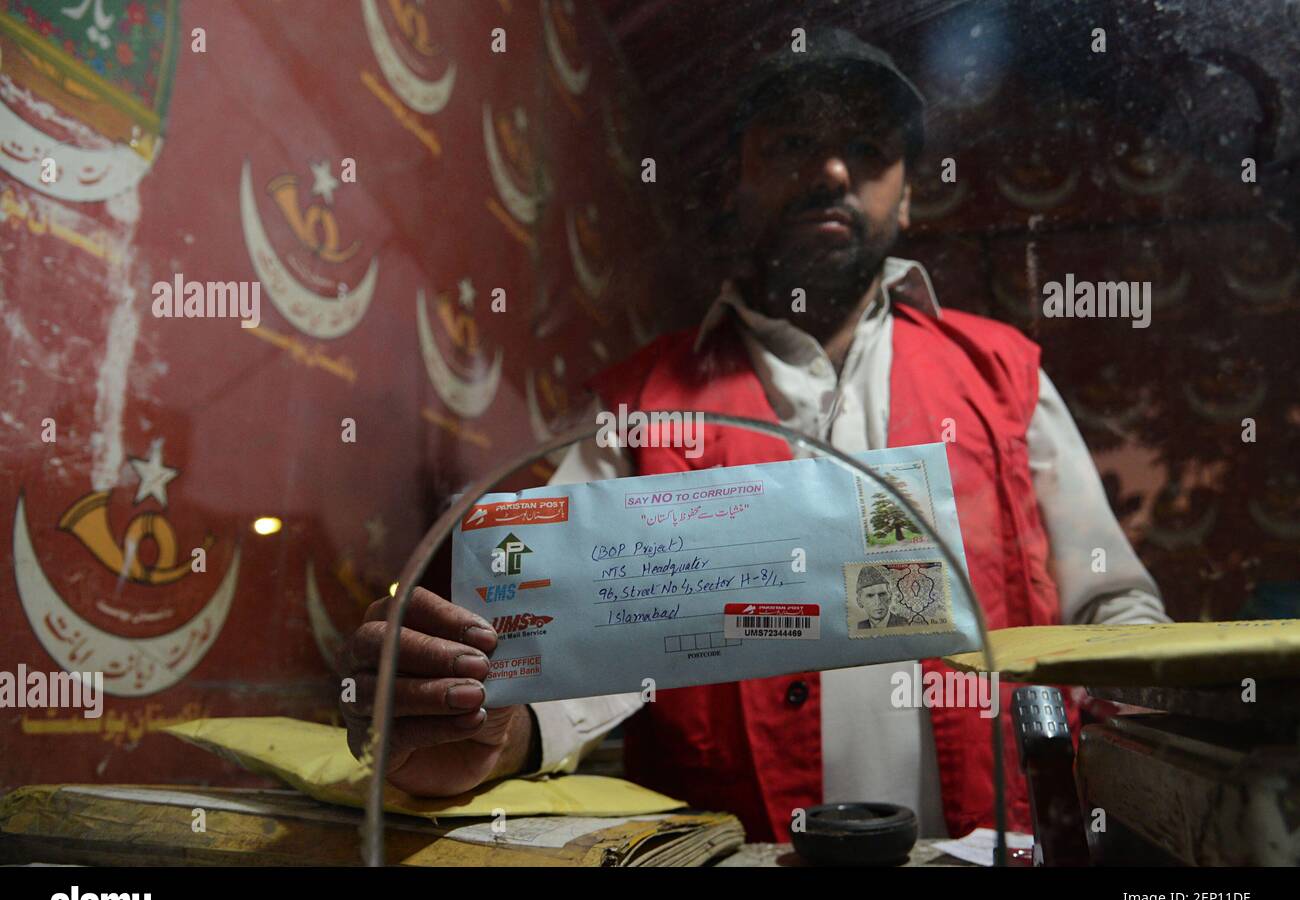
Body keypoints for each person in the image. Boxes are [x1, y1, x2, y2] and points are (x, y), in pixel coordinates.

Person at [340, 28, 1169, 842]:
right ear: (737, 181)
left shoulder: (1002, 379)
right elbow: (569, 651)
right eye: (793, 144)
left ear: (909, 194)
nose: (833, 170)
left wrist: (1148, 738)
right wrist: (486, 733)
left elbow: (1115, 606)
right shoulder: (643, 406)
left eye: (868, 149)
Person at [854, 565, 909, 630]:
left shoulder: (904, 624)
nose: (878, 602)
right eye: (870, 596)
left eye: (882, 594)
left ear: (890, 597)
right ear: (859, 601)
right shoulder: (859, 627)